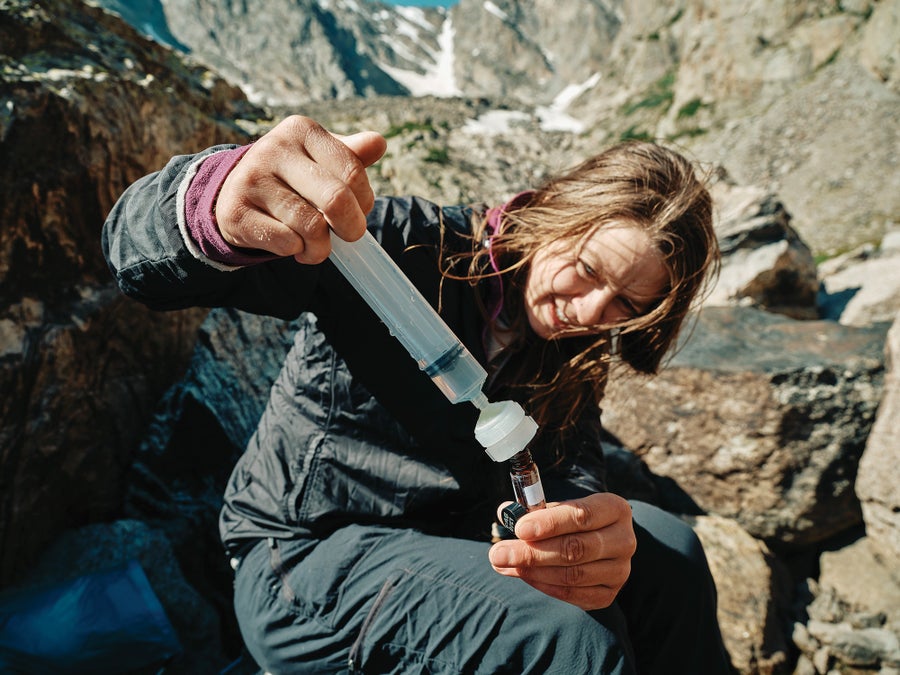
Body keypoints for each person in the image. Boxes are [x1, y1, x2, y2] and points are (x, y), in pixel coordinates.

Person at [103, 115, 734, 674]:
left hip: (448, 548)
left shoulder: (574, 349)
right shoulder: (395, 247)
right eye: (589, 270)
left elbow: (563, 465)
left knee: (669, 550)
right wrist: (212, 204)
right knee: (569, 643)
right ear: (556, 210)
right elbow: (134, 254)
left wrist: (577, 532)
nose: (592, 309)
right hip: (307, 558)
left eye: (628, 303)